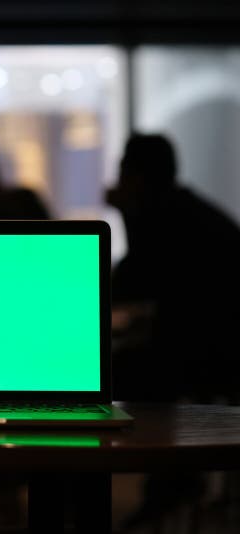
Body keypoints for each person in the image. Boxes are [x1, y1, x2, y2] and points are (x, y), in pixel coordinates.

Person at [108, 133, 240, 401]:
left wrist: (124, 211)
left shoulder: (164, 220)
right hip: (217, 351)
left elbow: (128, 283)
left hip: (202, 357)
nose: (117, 183)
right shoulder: (192, 210)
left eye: (122, 173)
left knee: (116, 371)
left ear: (138, 178)